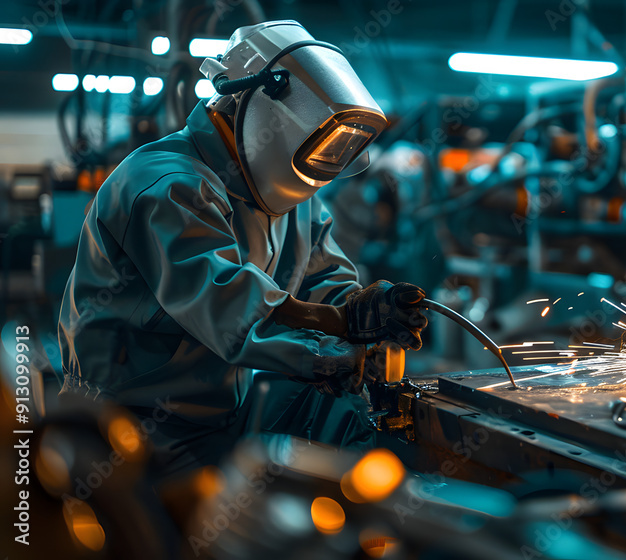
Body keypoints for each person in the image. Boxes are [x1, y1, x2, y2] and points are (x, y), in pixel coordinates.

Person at [58, 20, 427, 479]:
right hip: (127, 428)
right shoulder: (167, 185)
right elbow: (229, 307)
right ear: (269, 110)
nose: (324, 163)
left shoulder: (289, 193)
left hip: (222, 413)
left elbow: (322, 277)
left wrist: (363, 310)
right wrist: (331, 335)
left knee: (351, 418)